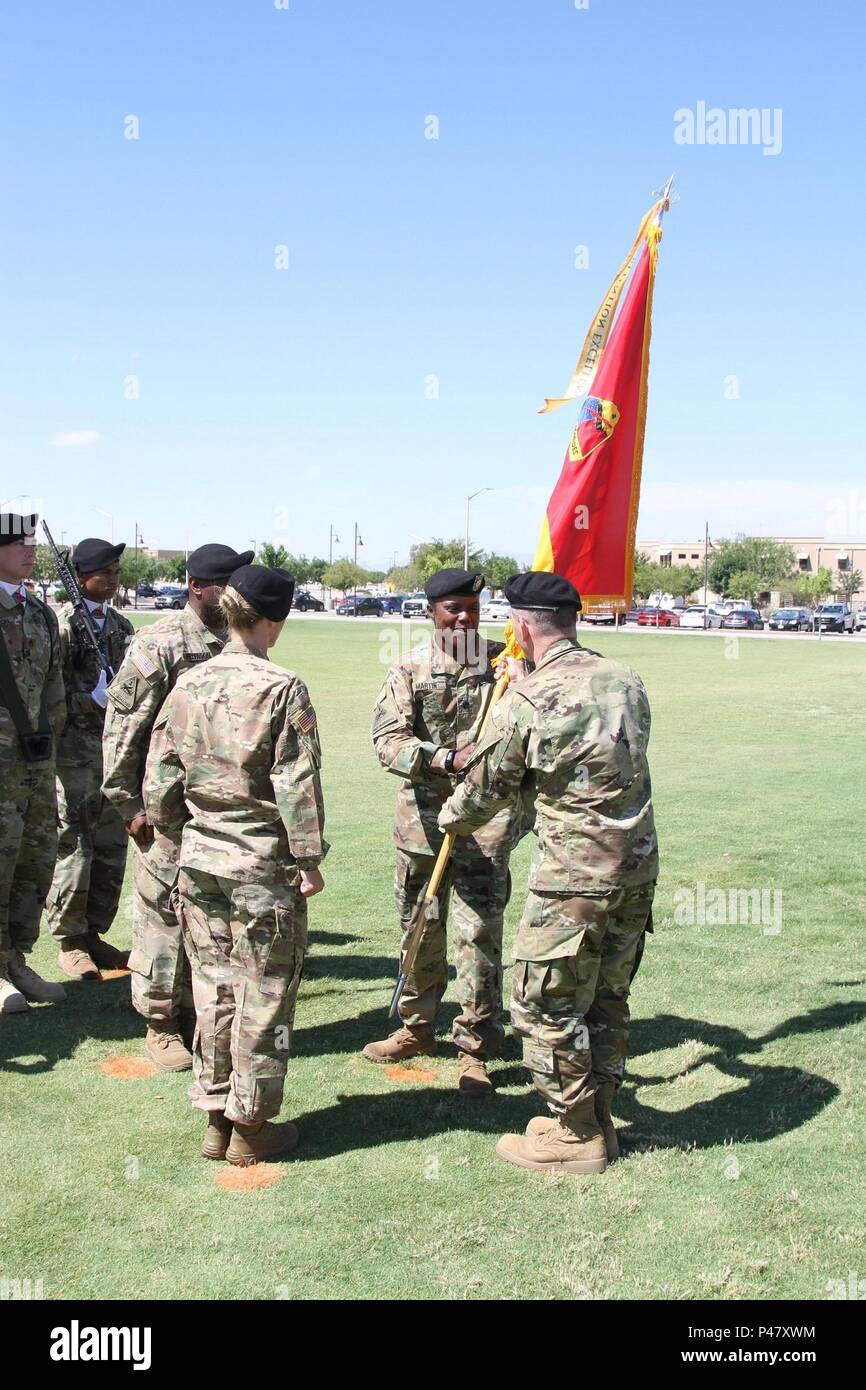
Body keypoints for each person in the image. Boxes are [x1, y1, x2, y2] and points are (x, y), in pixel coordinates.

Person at [438, 571, 658, 1174]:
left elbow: (487, 790)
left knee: (540, 1002)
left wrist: (451, 816)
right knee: (604, 997)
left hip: (573, 878)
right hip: (634, 869)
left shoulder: (529, 699)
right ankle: (599, 1116)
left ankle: (574, 1132)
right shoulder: (625, 679)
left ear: (521, 626)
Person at [143, 565, 326, 1166]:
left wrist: (183, 833)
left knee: (214, 986)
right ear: (275, 620)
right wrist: (308, 860)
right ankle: (250, 1125)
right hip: (261, 865)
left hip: (200, 860)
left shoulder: (190, 682)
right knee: (266, 992)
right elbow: (296, 785)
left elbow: (160, 780)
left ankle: (216, 1117)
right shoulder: (282, 687)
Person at [363, 567, 521, 1095]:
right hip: (424, 828)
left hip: (484, 826)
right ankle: (417, 1026)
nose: (464, 617)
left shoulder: (506, 665)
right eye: (453, 608)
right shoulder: (408, 669)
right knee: (421, 928)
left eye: (472, 608)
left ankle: (475, 1045)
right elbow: (388, 741)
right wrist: (443, 758)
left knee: (478, 934)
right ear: (431, 612)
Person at [101, 541, 254, 1070]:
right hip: (163, 808)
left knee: (208, 913)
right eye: (227, 584)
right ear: (198, 588)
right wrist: (128, 804)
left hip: (217, 809)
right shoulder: (161, 644)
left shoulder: (238, 642)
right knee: (162, 911)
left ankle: (196, 1011)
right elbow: (123, 728)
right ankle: (160, 1021)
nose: (237, 592)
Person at [46, 538, 135, 979]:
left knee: (111, 845)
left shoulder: (121, 626)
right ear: (82, 577)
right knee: (75, 844)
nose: (114, 580)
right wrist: (91, 700)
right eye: (106, 574)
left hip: (115, 753)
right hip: (75, 756)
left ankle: (95, 931)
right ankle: (69, 939)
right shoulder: (60, 625)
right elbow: (49, 693)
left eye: (117, 572)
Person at [0, 512, 67, 1013]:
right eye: (18, 542)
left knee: (35, 859)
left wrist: (50, 742)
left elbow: (54, 688)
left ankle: (15, 958)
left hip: (35, 767)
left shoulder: (41, 614)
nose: (30, 549)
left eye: (30, 541)